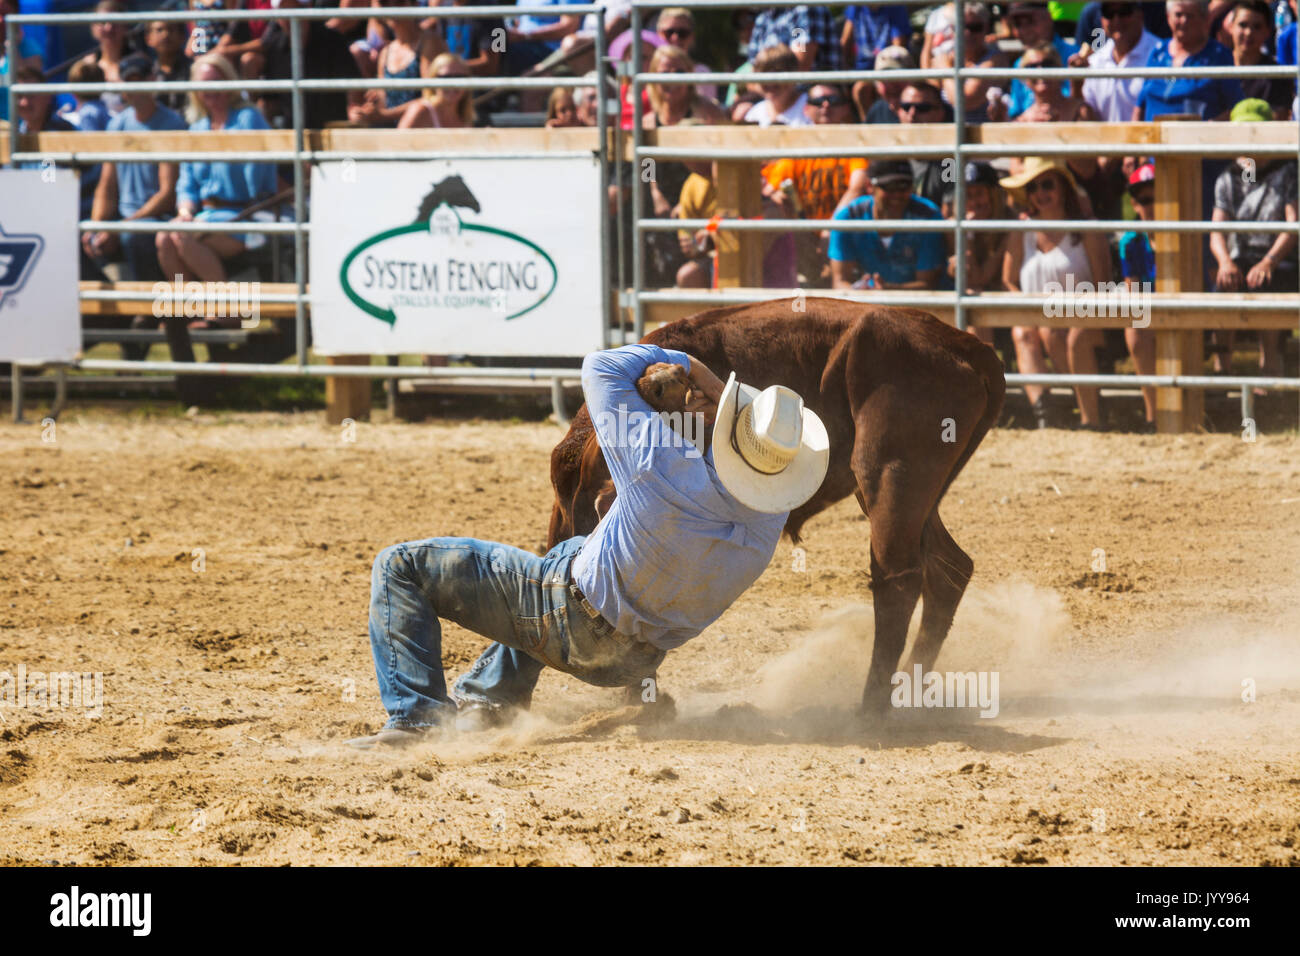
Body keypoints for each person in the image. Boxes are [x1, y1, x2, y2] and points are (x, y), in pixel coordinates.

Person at [348, 345, 830, 746]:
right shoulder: (771, 518)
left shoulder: (658, 463)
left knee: (400, 566)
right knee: (575, 553)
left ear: (725, 426)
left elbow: (601, 366)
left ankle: (416, 719)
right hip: (636, 661)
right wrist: (721, 420)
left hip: (573, 621)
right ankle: (490, 698)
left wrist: (698, 373)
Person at [156, 53, 277, 330]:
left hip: (247, 213)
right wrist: (186, 211)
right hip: (208, 215)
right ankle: (189, 311)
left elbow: (255, 182)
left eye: (217, 82)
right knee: (164, 237)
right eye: (205, 84)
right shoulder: (196, 129)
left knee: (184, 236)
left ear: (229, 83)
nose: (212, 91)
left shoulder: (247, 118)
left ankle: (226, 311)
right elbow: (186, 182)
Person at [1000, 157, 1113, 429]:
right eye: (1033, 188)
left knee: (1061, 333)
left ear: (1063, 188)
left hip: (1084, 316)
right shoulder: (1021, 231)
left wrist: (1070, 312)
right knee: (1023, 332)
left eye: (1047, 184)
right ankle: (1046, 416)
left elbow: (1103, 285)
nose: (1040, 193)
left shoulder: (1087, 229)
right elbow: (1008, 281)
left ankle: (1088, 411)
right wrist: (1028, 310)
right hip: (1038, 319)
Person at [1209, 98, 1296, 382]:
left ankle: (1270, 366)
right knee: (1222, 287)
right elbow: (1216, 231)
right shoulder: (1227, 177)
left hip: (1282, 259)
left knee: (1266, 285)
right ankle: (1222, 369)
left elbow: (1293, 226)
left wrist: (1269, 262)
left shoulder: (1289, 170)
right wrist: (1224, 262)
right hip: (1241, 258)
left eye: (1253, 133)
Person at [763, 82, 869, 286]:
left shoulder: (854, 143)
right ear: (806, 109)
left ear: (846, 108)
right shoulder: (798, 146)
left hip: (843, 236)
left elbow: (858, 187)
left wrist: (830, 228)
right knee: (773, 212)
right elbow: (771, 188)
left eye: (834, 101)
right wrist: (778, 200)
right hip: (805, 241)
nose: (826, 106)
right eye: (818, 101)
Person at [829, 159, 946, 291]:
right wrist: (860, 295)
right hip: (863, 306)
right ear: (869, 186)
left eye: (904, 186)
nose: (897, 194)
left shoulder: (928, 217)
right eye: (889, 187)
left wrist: (885, 292)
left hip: (916, 309)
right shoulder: (848, 218)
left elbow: (929, 285)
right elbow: (840, 281)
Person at [258, 0, 364, 130]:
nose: (289, 18)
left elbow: (354, 87)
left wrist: (354, 112)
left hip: (333, 131)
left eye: (294, 9)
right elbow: (270, 102)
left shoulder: (332, 40)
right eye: (283, 11)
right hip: (292, 132)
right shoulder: (274, 47)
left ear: (307, 8)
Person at [1134, 0, 1242, 119]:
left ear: (1205, 19)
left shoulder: (1219, 55)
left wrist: (1211, 126)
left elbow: (1235, 107)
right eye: (1179, 15)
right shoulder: (1158, 51)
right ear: (1168, 16)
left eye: (1190, 16)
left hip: (1198, 135)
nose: (1184, 21)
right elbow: (1141, 103)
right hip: (1153, 135)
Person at [348, 0, 443, 127]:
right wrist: (365, 112)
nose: (392, 8)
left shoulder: (430, 43)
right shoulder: (385, 52)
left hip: (422, 132)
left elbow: (432, 98)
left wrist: (384, 115)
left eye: (399, 1)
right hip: (393, 133)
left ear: (414, 5)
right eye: (385, 3)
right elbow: (383, 102)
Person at [946, 161, 1008, 346]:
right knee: (972, 297)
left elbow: (979, 278)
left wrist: (968, 234)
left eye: (979, 194)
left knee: (974, 298)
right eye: (968, 195)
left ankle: (984, 372)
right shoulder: (951, 226)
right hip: (968, 300)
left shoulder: (1008, 225)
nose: (974, 202)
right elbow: (966, 277)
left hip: (1000, 299)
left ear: (993, 195)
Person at [1117, 162, 1158, 430]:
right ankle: (1154, 414)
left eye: (1157, 197)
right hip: (1153, 309)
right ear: (1134, 204)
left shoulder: (1187, 231)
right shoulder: (1130, 241)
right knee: (1136, 329)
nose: (1151, 205)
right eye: (1145, 199)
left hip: (1183, 308)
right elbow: (1134, 291)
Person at [1074, 1, 1158, 121]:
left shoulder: (1161, 56)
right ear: (1102, 19)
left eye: (1125, 11)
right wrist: (1076, 86)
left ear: (1140, 14)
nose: (1117, 20)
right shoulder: (1095, 61)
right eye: (1109, 13)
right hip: (1104, 139)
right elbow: (1088, 120)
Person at [933, 1, 1007, 124]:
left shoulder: (996, 59)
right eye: (961, 26)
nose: (968, 33)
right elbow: (931, 98)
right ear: (952, 29)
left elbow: (964, 101)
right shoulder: (945, 57)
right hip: (946, 134)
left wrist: (945, 69)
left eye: (975, 28)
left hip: (984, 137)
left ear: (986, 27)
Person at [1006, 2, 1078, 119]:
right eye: (1018, 24)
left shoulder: (1077, 56)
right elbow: (1015, 114)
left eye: (1030, 21)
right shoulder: (1019, 64)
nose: (1024, 29)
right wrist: (1027, 118)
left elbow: (1083, 108)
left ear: (1048, 18)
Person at [1229, 0, 1293, 118]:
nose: (1248, 32)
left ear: (1267, 32)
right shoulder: (1214, 64)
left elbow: (1280, 116)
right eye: (1243, 25)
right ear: (1230, 26)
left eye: (1257, 27)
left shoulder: (1277, 75)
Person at [897, 82, 951, 209]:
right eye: (906, 106)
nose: (912, 114)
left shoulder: (949, 161)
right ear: (898, 111)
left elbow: (950, 209)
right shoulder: (886, 155)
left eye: (922, 108)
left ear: (940, 113)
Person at [748, 4, 841, 72]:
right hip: (773, 91)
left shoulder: (805, 8)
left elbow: (800, 66)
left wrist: (765, 72)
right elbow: (753, 73)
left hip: (808, 90)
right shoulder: (762, 18)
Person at [397, 51, 475, 129]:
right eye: (446, 77)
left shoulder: (466, 116)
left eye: (459, 77)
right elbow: (398, 140)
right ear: (433, 78)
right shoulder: (420, 111)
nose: (452, 84)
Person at [741, 43, 810, 126]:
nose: (770, 82)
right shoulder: (754, 114)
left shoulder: (812, 107)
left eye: (777, 73)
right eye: (764, 73)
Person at [145, 19, 193, 113]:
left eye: (171, 30)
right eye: (159, 30)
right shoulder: (145, 72)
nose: (165, 35)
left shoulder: (194, 69)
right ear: (148, 38)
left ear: (182, 36)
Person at [861, 43, 914, 123]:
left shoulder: (925, 109)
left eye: (899, 77)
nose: (892, 85)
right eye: (885, 79)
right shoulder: (876, 110)